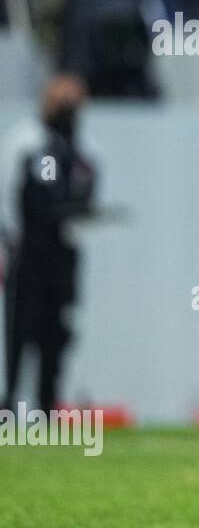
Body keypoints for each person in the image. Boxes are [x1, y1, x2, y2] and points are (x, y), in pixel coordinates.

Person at [1, 74, 97, 415]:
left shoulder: (76, 146)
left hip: (61, 254)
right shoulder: (29, 143)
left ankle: (47, 406)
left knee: (55, 334)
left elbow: (83, 187)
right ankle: (9, 405)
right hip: (28, 253)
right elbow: (27, 197)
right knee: (20, 332)